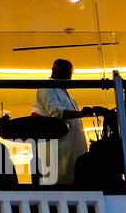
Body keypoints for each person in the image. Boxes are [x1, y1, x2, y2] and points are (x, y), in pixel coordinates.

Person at [33, 58, 102, 186]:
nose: (69, 78)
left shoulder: (62, 91)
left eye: (70, 74)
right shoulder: (48, 87)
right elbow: (56, 112)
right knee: (63, 183)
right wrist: (81, 113)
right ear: (54, 71)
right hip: (61, 150)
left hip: (72, 148)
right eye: (66, 74)